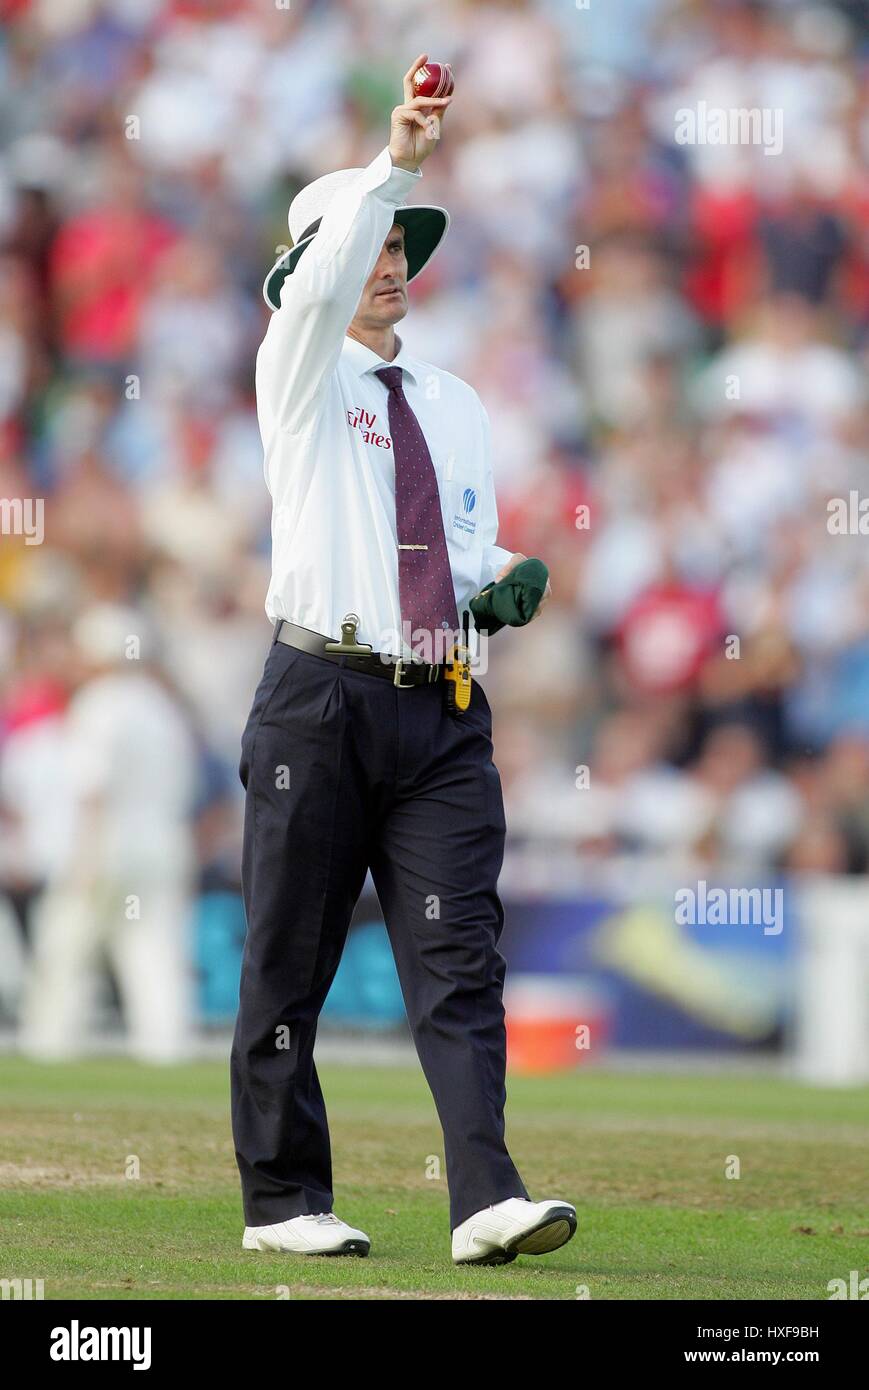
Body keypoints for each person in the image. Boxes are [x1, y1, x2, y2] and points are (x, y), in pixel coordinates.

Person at [231, 54, 575, 1266]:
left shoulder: (454, 397)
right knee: (288, 957)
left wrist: (503, 580)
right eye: (372, 239)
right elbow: (317, 286)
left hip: (438, 701)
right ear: (317, 263)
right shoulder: (297, 367)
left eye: (402, 241)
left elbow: (461, 545)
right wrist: (394, 168)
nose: (391, 258)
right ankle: (281, 1201)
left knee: (457, 958)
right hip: (317, 697)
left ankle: (484, 1197)